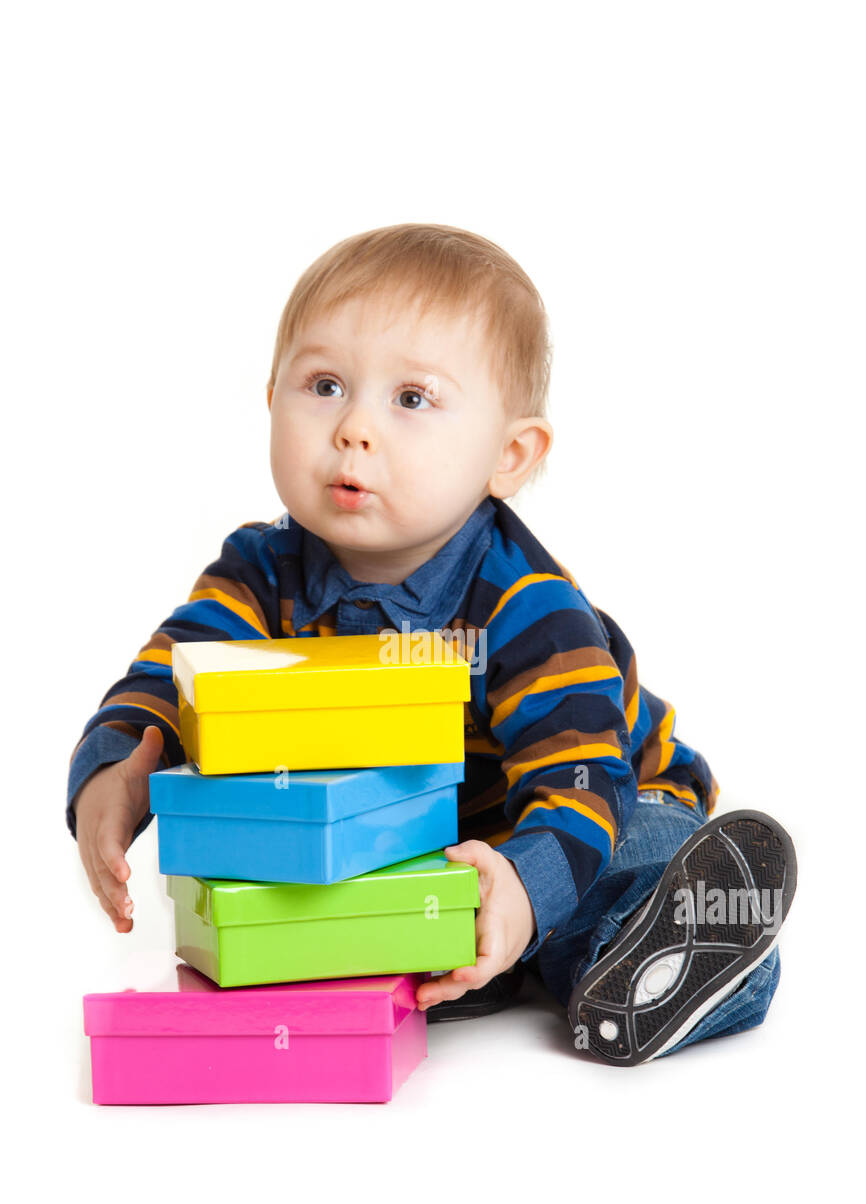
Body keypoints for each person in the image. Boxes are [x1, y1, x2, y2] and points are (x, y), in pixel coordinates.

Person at [66, 222, 797, 1066]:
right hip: (408, 844)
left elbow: (580, 772)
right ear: (271, 397)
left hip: (596, 799)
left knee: (619, 872)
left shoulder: (526, 607)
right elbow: (173, 673)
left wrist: (524, 886)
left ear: (509, 455)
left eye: (411, 399)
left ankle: (652, 966)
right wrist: (112, 772)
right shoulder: (260, 575)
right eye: (326, 384)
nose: (354, 429)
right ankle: (467, 946)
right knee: (303, 888)